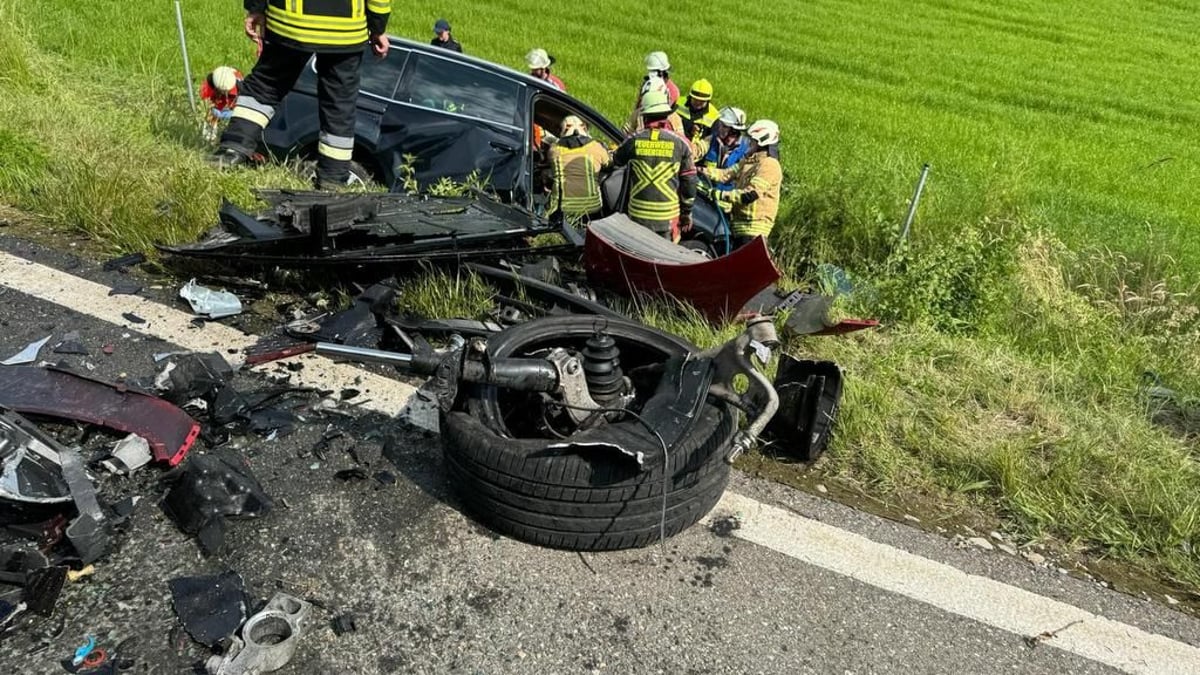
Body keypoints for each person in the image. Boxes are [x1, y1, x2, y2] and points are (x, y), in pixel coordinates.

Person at [212, 0, 391, 189]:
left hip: (289, 25)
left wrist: (256, 8)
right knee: (339, 107)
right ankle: (332, 180)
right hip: (346, 34)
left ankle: (232, 149)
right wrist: (377, 27)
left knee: (265, 86)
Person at [611, 89, 697, 242]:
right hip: (667, 220)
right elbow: (689, 182)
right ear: (666, 115)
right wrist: (687, 213)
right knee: (663, 254)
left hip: (637, 218)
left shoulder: (633, 140)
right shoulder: (681, 144)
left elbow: (616, 160)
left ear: (644, 116)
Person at [700, 120, 782, 249]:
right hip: (738, 226)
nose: (749, 143)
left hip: (753, 229)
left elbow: (750, 195)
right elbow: (726, 174)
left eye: (752, 141)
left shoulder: (769, 165)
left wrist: (719, 194)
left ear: (761, 143)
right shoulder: (749, 161)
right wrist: (700, 170)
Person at [544, 116, 611, 225]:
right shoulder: (596, 147)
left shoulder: (554, 150)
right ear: (584, 128)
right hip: (592, 210)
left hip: (561, 210)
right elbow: (609, 163)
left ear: (564, 130)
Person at [200, 66, 242, 142]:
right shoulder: (210, 84)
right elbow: (206, 103)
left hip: (233, 105)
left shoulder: (239, 87)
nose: (223, 93)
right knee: (211, 115)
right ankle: (209, 138)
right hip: (216, 101)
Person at [675, 78, 718, 152]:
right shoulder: (677, 103)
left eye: (701, 101)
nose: (698, 102)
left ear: (708, 100)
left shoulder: (714, 116)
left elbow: (711, 141)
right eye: (695, 99)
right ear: (690, 96)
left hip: (697, 151)